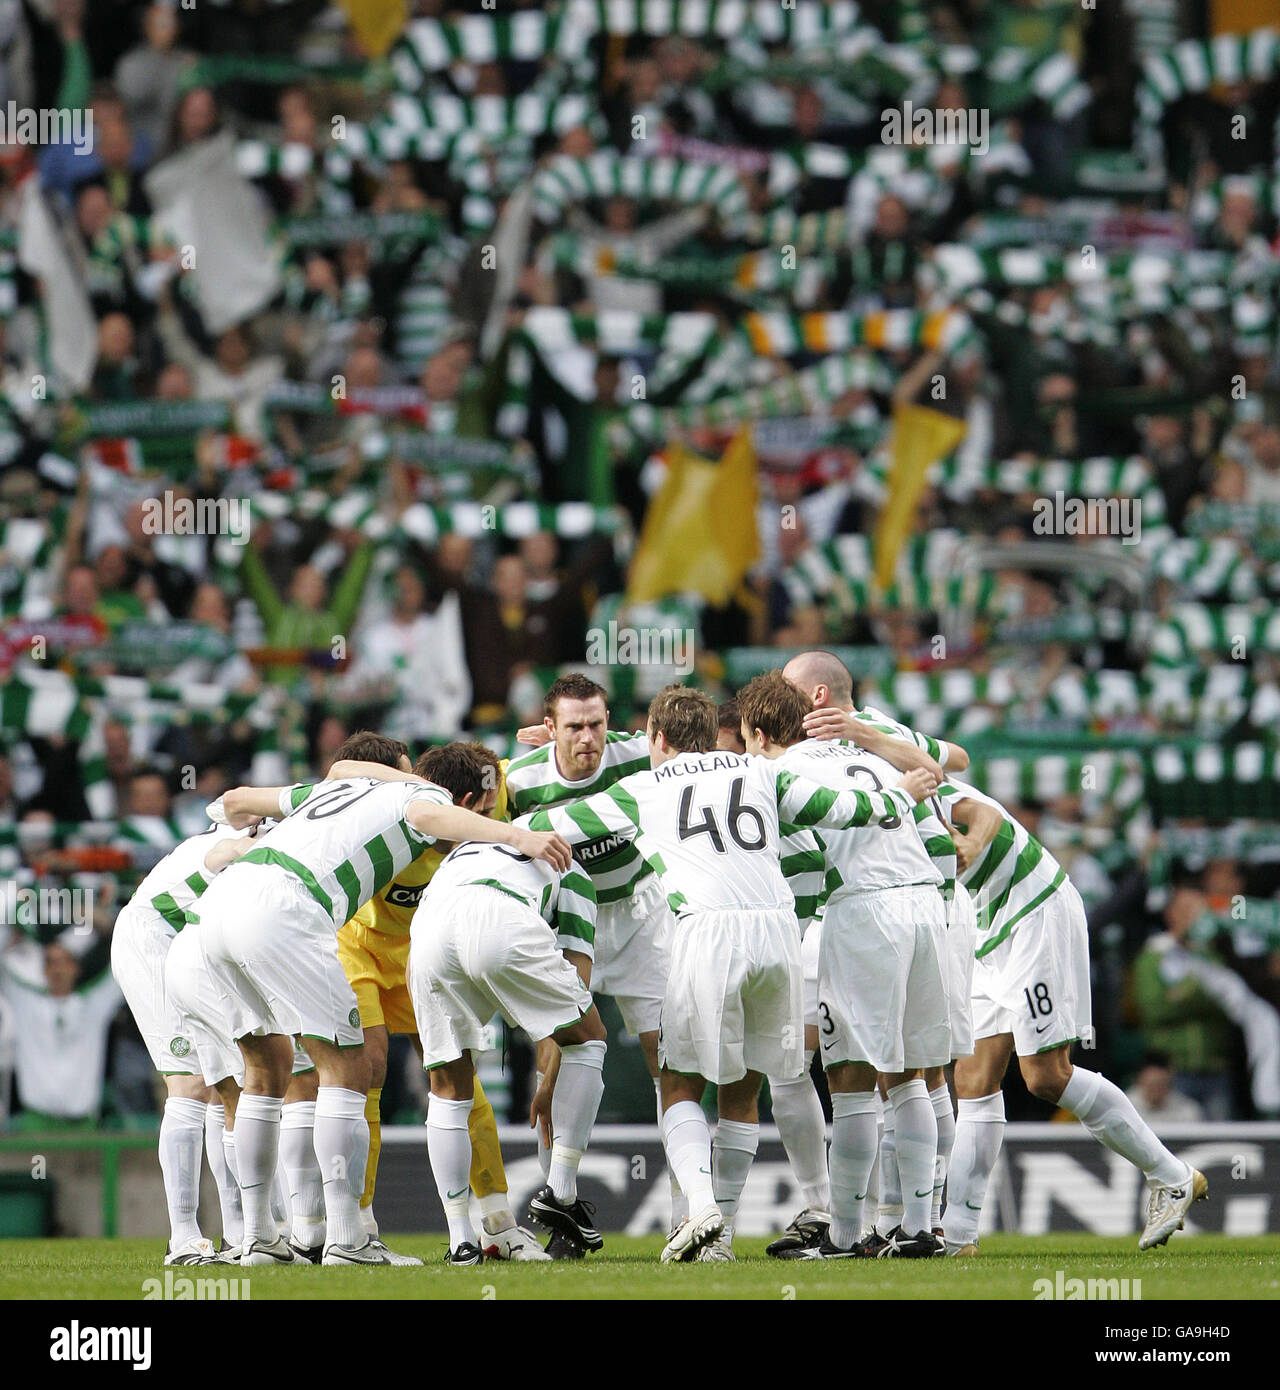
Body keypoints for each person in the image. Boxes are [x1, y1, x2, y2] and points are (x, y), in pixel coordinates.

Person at [529, 684, 937, 1263]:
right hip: (777, 932)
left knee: (677, 1083)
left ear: (659, 739)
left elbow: (551, 826)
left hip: (709, 931)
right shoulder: (762, 773)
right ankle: (727, 1237)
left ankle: (702, 1212)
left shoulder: (643, 788)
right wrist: (903, 791)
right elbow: (848, 809)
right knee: (745, 1087)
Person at [167, 749, 571, 1266]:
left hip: (222, 909)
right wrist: (519, 836)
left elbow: (334, 770)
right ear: (464, 800)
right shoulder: (421, 799)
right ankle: (347, 1238)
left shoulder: (343, 789)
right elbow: (428, 811)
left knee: (263, 1070)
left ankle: (260, 1238)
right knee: (351, 1068)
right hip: (292, 909)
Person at [937, 778, 1208, 1254]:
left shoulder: (890, 764)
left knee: (1045, 1076)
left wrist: (972, 844)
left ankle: (1173, 1176)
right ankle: (959, 1237)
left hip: (1032, 912)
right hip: (985, 929)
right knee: (973, 1078)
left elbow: (977, 799)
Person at [738, 671, 950, 1260]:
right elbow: (941, 775)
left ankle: (845, 1234)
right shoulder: (870, 754)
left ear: (759, 733)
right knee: (910, 1075)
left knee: (851, 1081)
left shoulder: (776, 773)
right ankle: (917, 1228)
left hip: (865, 912)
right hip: (928, 906)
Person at [334, 736, 546, 1262]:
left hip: (423, 950)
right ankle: (356, 1225)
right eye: (406, 778)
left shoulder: (488, 788)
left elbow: (536, 775)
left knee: (457, 1075)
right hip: (358, 948)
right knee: (370, 1068)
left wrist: (555, 744)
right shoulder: (378, 819)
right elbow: (337, 772)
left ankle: (497, 1222)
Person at [408, 813, 605, 1265]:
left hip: (429, 934)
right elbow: (575, 994)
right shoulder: (572, 867)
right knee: (589, 1038)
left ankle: (461, 1237)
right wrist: (550, 1081)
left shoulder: (464, 848)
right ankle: (561, 1191)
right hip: (499, 917)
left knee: (449, 1088)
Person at [111, 818, 261, 1264]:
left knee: (222, 1084)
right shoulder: (226, 843)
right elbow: (224, 853)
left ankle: (238, 1232)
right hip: (150, 942)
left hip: (189, 950)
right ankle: (183, 1236)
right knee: (191, 1082)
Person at [1125, 1052, 1205, 1128]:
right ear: (1140, 1080)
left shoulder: (1188, 1110)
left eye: (1161, 1085)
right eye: (1151, 1085)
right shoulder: (1124, 1107)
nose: (1156, 1090)